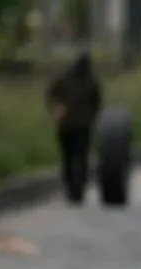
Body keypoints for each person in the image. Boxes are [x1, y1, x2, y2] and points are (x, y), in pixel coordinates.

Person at [46, 52, 103, 205]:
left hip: (65, 126)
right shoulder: (91, 82)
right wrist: (91, 118)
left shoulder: (62, 80)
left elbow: (51, 97)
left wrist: (56, 112)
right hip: (83, 127)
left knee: (68, 158)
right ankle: (79, 191)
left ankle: (71, 189)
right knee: (81, 159)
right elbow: (98, 104)